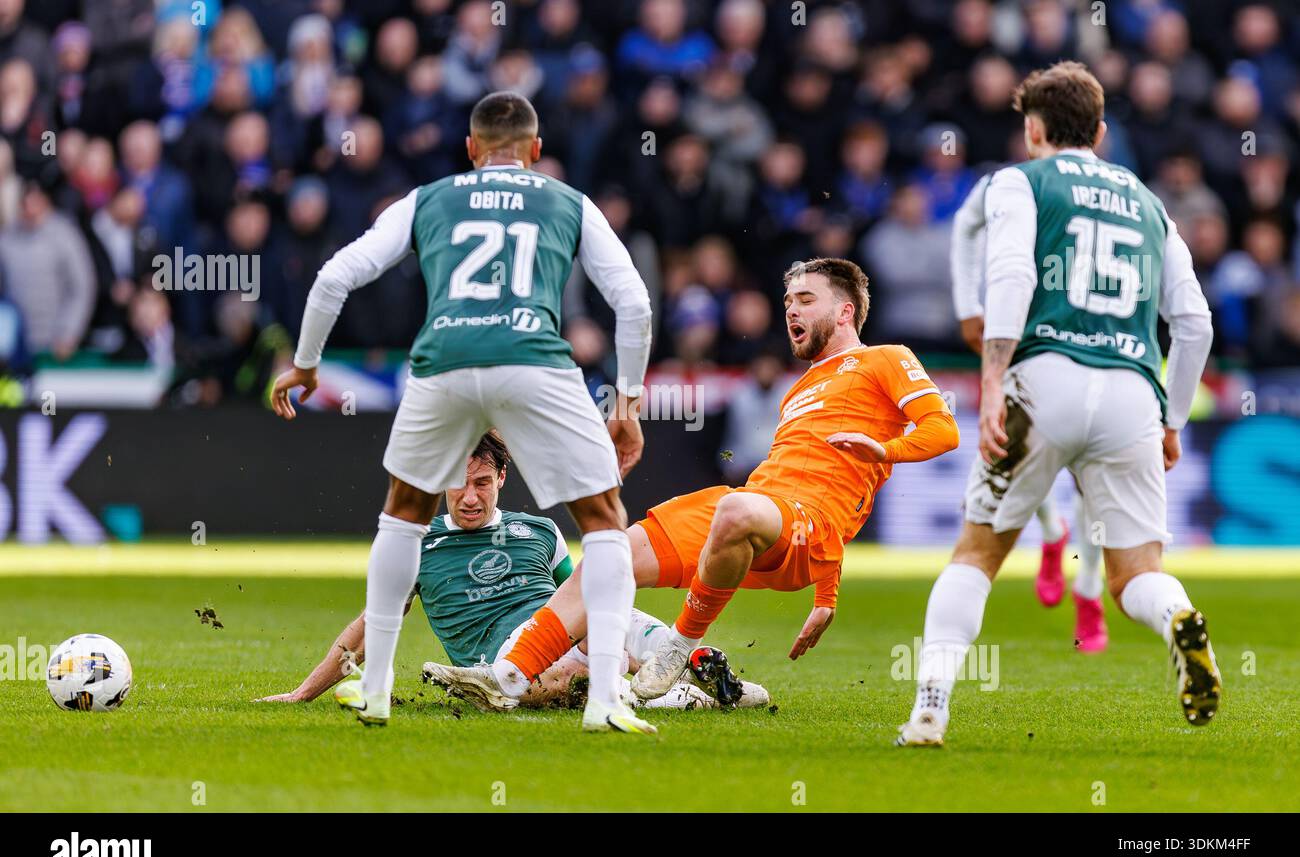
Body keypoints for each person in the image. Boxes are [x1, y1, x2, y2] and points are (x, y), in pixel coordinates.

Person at [269, 92, 656, 735]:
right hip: (535, 359)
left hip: (443, 359)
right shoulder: (570, 202)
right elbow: (635, 304)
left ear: (470, 150)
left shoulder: (429, 197)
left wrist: (308, 363)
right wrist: (629, 401)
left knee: (403, 516)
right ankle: (606, 702)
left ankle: (376, 690)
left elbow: (335, 276)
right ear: (535, 152)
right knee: (606, 524)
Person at [426, 257, 960, 709]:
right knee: (615, 552)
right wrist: (828, 591)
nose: (791, 309)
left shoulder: (887, 359)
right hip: (761, 505)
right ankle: (509, 678)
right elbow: (829, 479)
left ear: (845, 311)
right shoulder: (801, 389)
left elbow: (944, 430)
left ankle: (680, 647)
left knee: (737, 512)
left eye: (805, 299)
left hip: (800, 526)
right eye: (788, 300)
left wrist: (885, 450)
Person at [898, 62, 1219, 748]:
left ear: (1034, 130)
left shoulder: (1021, 180)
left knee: (977, 555)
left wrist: (989, 381)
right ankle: (1182, 622)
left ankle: (929, 708)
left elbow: (1011, 273)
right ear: (1100, 132)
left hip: (1044, 378)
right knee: (1138, 573)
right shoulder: (1148, 201)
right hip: (1132, 389)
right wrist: (1172, 420)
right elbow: (1195, 324)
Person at [257, 432, 769, 712]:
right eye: (457, 485)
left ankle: (700, 671)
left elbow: (582, 595)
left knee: (613, 613)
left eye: (482, 482)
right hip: (506, 658)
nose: (470, 496)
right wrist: (305, 692)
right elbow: (369, 627)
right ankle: (668, 693)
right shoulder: (416, 545)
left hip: (564, 634)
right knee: (573, 673)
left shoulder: (540, 531)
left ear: (502, 477)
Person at [951, 167, 1108, 652]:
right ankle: (1051, 531)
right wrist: (967, 307)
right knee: (1016, 449)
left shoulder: (1105, 189)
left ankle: (1088, 595)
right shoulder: (1011, 183)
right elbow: (965, 226)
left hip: (1086, 340)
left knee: (1091, 484)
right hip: (1021, 338)